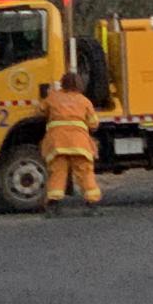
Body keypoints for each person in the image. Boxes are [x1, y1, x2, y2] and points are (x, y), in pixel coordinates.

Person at [39, 72, 101, 215]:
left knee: (57, 173)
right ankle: (92, 205)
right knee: (85, 173)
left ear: (62, 83)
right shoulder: (84, 101)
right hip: (80, 144)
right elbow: (93, 124)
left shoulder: (53, 98)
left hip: (57, 143)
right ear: (80, 84)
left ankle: (54, 206)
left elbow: (40, 111)